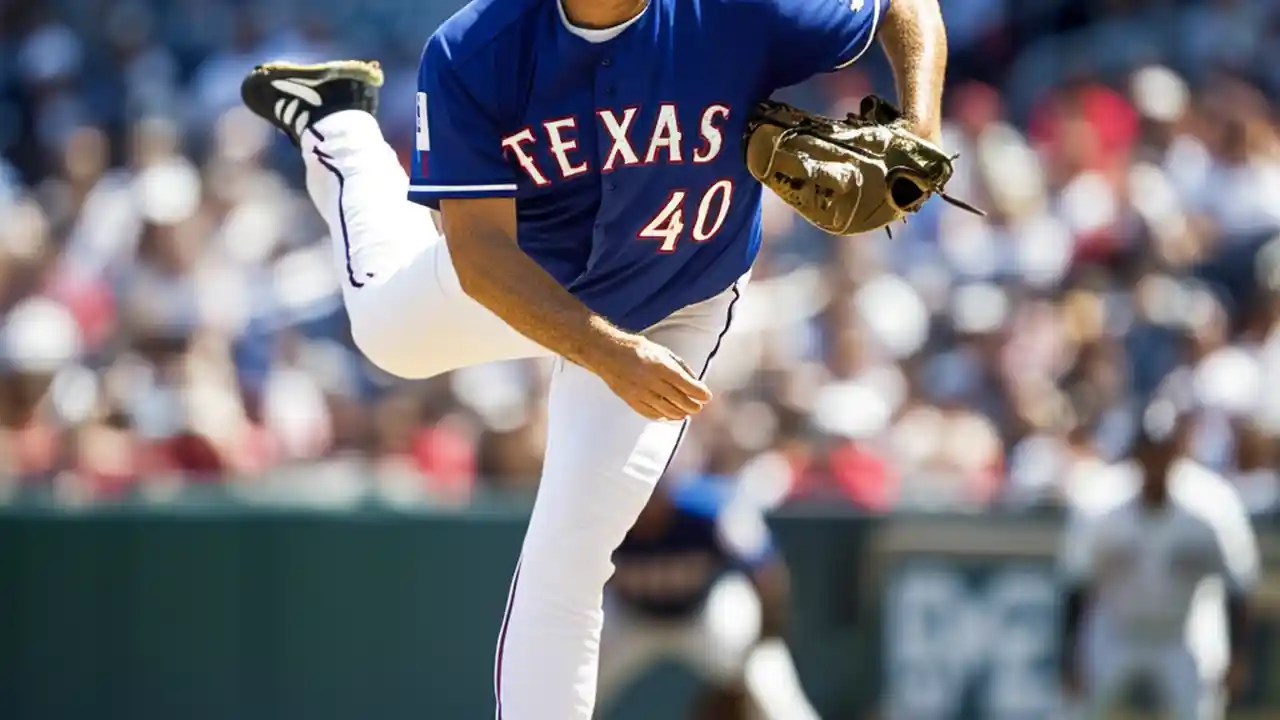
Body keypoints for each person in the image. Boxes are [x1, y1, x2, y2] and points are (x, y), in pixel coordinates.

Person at [238, 0, 948, 715]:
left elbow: (905, 6)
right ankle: (340, 123)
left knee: (567, 562)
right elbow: (481, 257)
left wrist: (920, 123)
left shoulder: (744, 9)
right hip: (530, 284)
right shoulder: (475, 48)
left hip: (679, 296)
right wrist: (605, 352)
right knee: (387, 336)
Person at [1058, 399, 1260, 720]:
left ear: (1177, 451)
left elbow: (1239, 584)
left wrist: (1238, 655)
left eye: (1163, 450)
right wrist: (1069, 658)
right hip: (1115, 629)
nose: (1156, 460)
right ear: (1135, 453)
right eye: (1149, 450)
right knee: (1077, 711)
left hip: (1183, 631)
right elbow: (1076, 584)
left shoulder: (1211, 504)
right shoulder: (1100, 502)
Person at [599, 477, 818, 720]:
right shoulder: (601, 519)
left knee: (764, 671)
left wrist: (763, 641)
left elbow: (766, 572)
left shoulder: (708, 509)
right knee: (573, 676)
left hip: (701, 617)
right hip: (627, 620)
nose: (646, 505)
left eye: (654, 494)